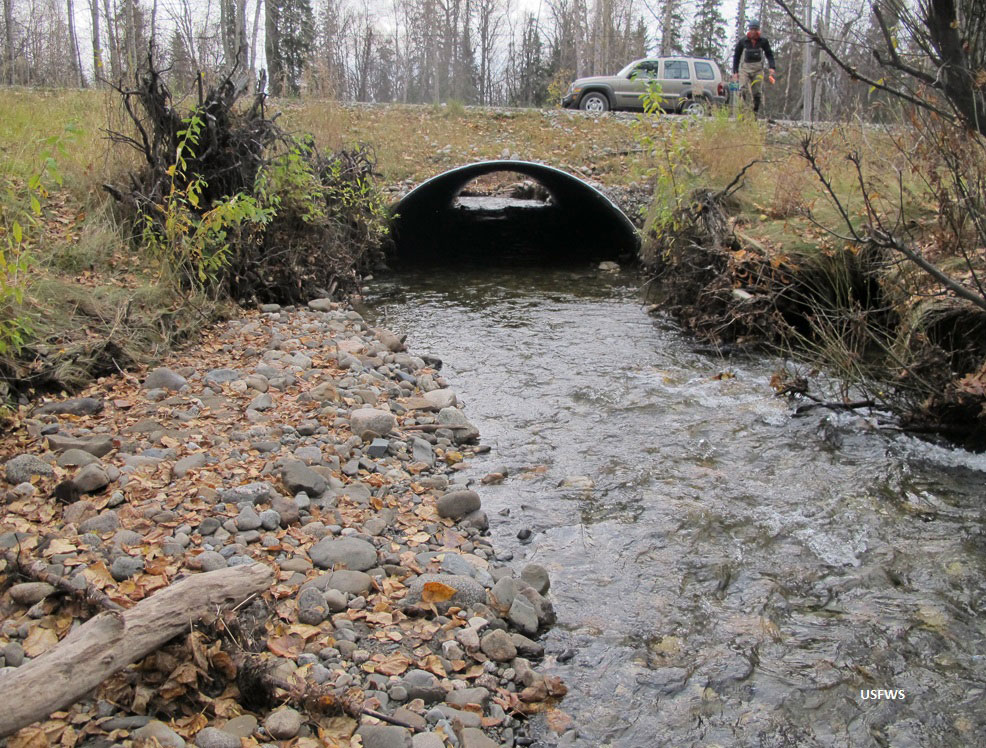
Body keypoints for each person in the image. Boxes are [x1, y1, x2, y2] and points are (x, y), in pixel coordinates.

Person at [731, 19, 776, 116]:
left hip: (758, 70)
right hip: (745, 69)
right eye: (751, 29)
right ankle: (742, 113)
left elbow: (769, 54)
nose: (753, 32)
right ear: (749, 30)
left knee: (757, 93)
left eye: (755, 29)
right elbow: (736, 56)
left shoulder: (763, 41)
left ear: (758, 30)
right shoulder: (743, 41)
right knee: (742, 90)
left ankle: (755, 113)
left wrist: (772, 67)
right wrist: (735, 71)